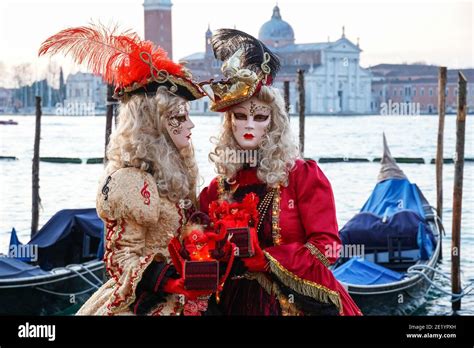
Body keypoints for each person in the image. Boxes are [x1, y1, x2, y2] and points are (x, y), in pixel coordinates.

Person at [39, 24, 212, 315]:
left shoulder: (175, 174)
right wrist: (171, 281)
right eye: (179, 117)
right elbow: (120, 258)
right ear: (153, 124)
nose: (190, 125)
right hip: (147, 302)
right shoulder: (130, 183)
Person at [199, 29, 362, 316]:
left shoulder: (302, 175)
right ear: (229, 122)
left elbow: (329, 248)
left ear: (273, 123)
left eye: (259, 117)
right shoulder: (218, 188)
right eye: (240, 116)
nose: (249, 125)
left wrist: (269, 260)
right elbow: (200, 245)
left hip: (296, 304)